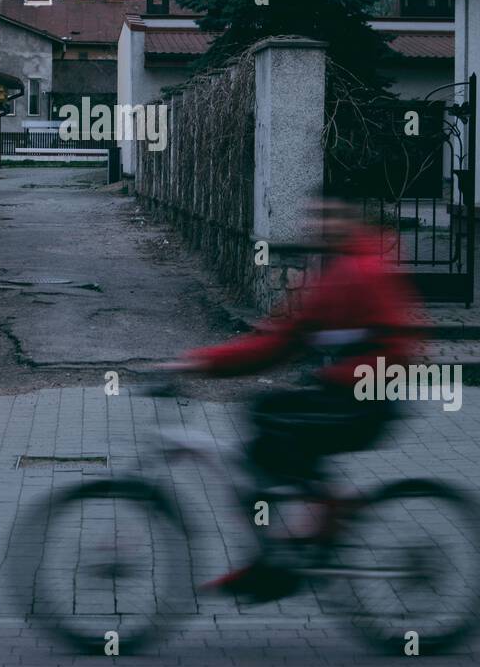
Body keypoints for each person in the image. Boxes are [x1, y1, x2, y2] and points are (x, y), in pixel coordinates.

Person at [160, 198, 423, 599]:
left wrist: (343, 375)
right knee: (264, 424)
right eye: (318, 217)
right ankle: (298, 536)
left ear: (353, 221)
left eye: (332, 215)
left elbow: (401, 346)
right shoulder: (334, 276)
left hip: (365, 403)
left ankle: (285, 556)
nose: (323, 224)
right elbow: (278, 344)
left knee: (268, 438)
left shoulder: (365, 271)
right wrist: (201, 363)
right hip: (341, 397)